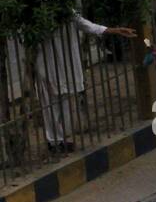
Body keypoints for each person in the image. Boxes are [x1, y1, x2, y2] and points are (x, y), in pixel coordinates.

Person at [3, 11, 137, 153]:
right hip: (46, 66)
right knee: (50, 106)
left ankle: (59, 140)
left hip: (66, 65)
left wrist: (114, 30)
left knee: (63, 105)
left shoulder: (68, 12)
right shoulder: (37, 15)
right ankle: (54, 143)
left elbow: (87, 25)